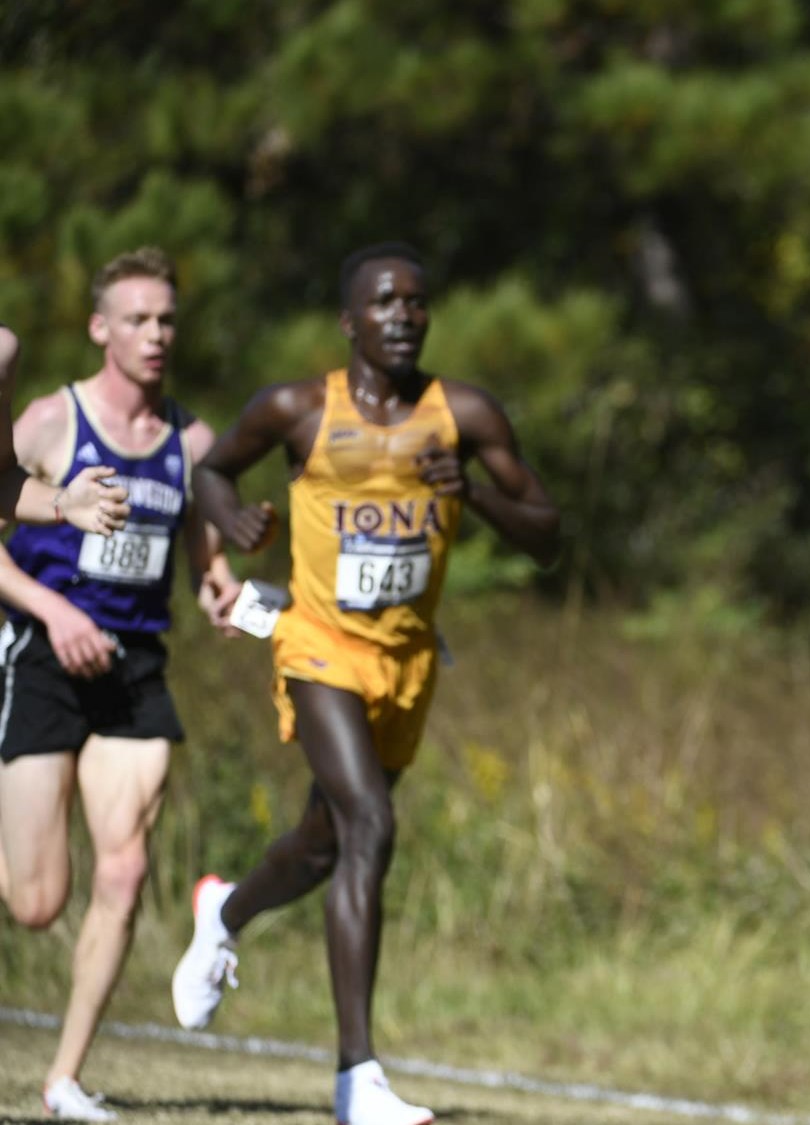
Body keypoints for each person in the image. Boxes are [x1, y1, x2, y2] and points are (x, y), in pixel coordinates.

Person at [169, 243, 560, 1125]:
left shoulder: (464, 413)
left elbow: (547, 534)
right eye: (384, 301)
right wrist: (228, 524)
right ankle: (358, 1077)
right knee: (371, 826)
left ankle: (223, 911)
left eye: (416, 302)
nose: (402, 315)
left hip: (408, 659)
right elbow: (211, 469)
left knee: (323, 844)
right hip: (317, 643)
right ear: (350, 320)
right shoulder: (299, 408)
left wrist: (473, 494)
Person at [0, 249, 209, 1122]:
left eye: (166, 320)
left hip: (134, 667)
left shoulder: (192, 444)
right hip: (43, 656)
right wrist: (55, 612)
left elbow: (208, 568)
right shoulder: (50, 421)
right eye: (137, 319)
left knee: (124, 867)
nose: (156, 334)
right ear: (100, 329)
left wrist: (229, 592)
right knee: (37, 901)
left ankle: (63, 1080)